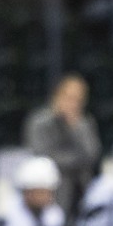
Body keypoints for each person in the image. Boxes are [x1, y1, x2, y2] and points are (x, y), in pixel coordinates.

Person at [22, 74, 99, 216]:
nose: (73, 104)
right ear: (57, 96)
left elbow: (92, 154)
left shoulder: (83, 123)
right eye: (69, 97)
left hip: (80, 188)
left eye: (78, 99)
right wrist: (76, 160)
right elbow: (42, 157)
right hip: (51, 190)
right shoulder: (40, 122)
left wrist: (74, 128)